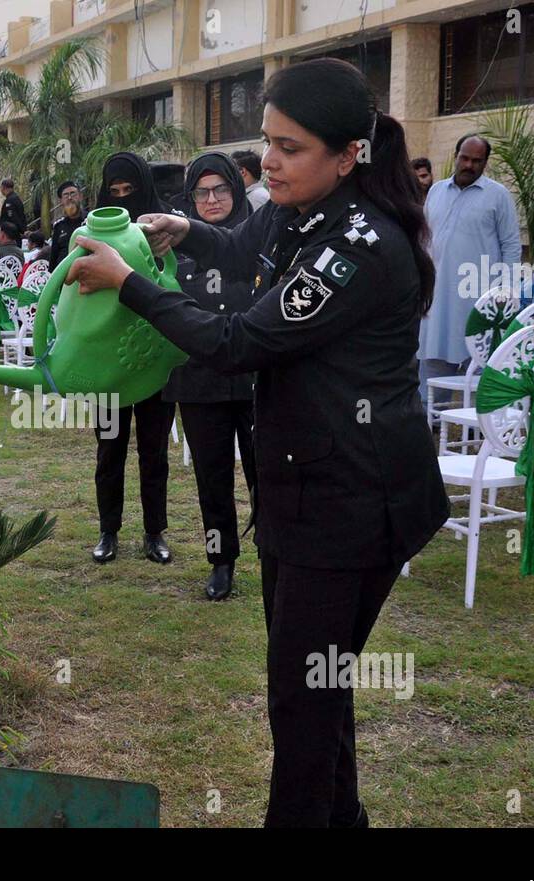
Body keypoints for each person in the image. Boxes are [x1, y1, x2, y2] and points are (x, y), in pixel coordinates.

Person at [66, 58, 448, 827]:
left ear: (348, 156)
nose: (269, 161)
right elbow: (247, 251)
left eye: (291, 146)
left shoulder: (359, 248)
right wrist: (189, 231)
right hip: (299, 490)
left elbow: (242, 339)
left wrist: (131, 286)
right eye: (267, 141)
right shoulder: (296, 208)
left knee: (302, 701)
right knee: (318, 690)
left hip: (349, 504)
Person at [162, 152, 259, 601]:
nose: (212, 199)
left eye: (221, 189)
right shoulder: (174, 244)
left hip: (258, 374)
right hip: (199, 377)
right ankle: (221, 561)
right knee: (212, 477)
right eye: (201, 192)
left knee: (269, 470)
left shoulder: (261, 235)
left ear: (236, 191)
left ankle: (274, 549)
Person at [88, 152, 178, 566]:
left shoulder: (163, 230)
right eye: (114, 193)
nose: (123, 203)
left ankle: (154, 531)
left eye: (131, 193)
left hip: (152, 357)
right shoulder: (91, 231)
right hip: (107, 362)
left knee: (154, 450)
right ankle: (109, 530)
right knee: (110, 450)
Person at [417, 134, 520, 402]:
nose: (469, 165)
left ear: (485, 163)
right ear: (455, 156)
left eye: (477, 160)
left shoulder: (498, 195)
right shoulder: (436, 191)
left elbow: (510, 245)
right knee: (433, 351)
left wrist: (506, 293)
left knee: (478, 354)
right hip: (437, 294)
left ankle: (477, 422)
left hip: (478, 295)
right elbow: (423, 239)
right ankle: (430, 416)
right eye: (464, 158)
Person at [50, 180, 87, 271]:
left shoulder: (90, 221)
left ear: (80, 197)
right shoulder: (58, 226)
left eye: (73, 194)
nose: (69, 197)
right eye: (66, 195)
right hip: (64, 276)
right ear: (61, 201)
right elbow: (53, 256)